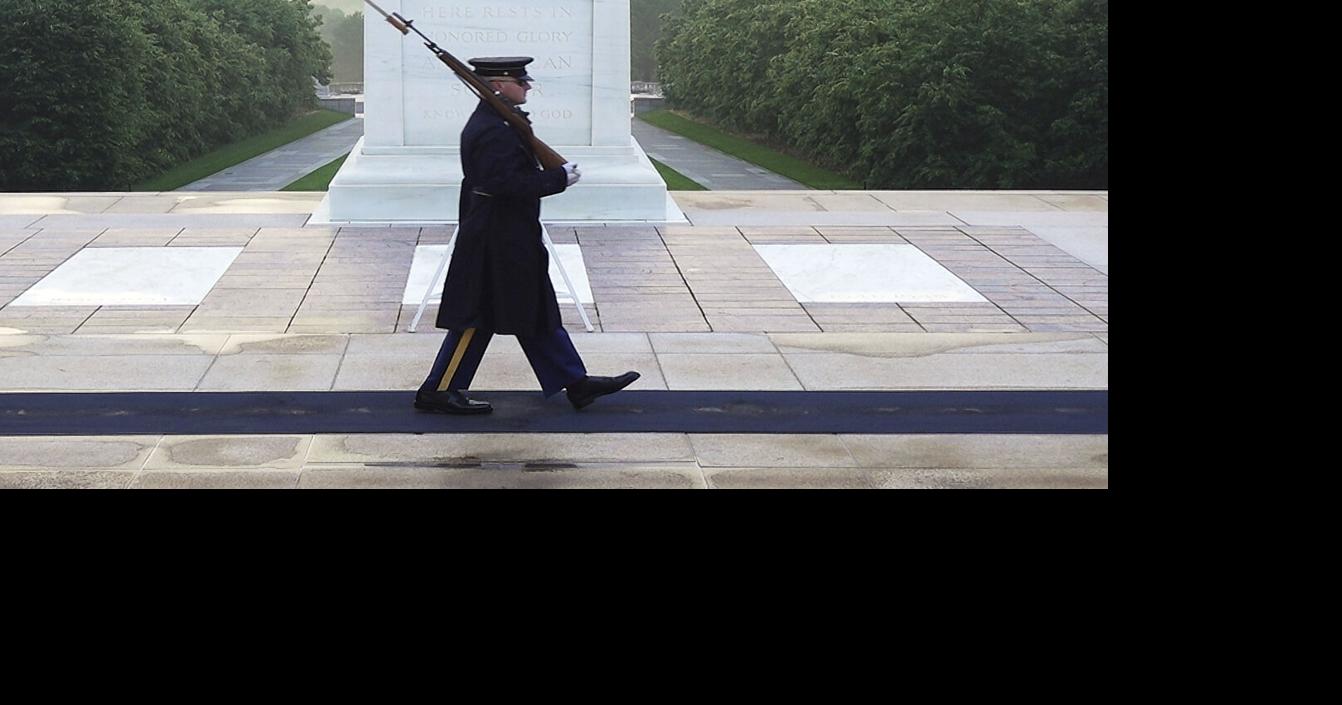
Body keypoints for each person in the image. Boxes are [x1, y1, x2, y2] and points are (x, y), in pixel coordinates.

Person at [415, 56, 639, 415]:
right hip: (495, 239)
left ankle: (576, 382)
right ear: (499, 85)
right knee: (476, 316)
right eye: (521, 81)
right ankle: (439, 390)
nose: (528, 86)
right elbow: (502, 184)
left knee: (533, 310)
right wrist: (557, 179)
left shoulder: (502, 122)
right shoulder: (493, 129)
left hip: (508, 234)